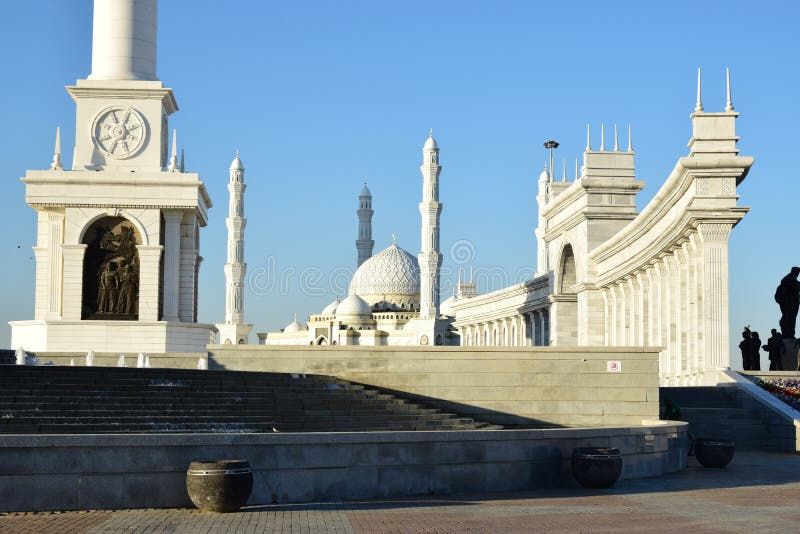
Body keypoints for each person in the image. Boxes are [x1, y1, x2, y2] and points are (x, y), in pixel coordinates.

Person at [775, 267, 800, 338]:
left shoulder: (793, 280)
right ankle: (788, 333)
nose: (797, 274)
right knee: (788, 318)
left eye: (798, 273)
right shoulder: (787, 280)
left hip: (794, 303)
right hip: (789, 303)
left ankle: (790, 333)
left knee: (791, 318)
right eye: (797, 272)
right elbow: (791, 286)